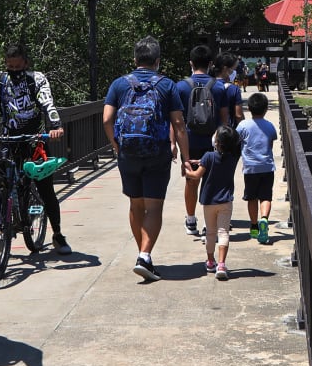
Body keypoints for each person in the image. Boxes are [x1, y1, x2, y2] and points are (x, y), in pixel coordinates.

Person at [0, 42, 72, 255]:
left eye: (18, 67)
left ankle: (58, 235)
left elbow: (47, 103)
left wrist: (55, 126)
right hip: (9, 139)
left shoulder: (37, 78)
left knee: (45, 189)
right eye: (10, 67)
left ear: (25, 63)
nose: (14, 71)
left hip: (35, 140)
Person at [103, 36, 190, 282]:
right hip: (157, 153)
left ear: (135, 60)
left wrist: (115, 144)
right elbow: (179, 124)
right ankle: (145, 255)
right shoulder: (167, 85)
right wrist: (186, 157)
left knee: (135, 204)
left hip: (128, 153)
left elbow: (107, 119)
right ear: (157, 61)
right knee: (154, 207)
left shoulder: (119, 84)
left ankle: (143, 255)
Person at [175, 45, 229, 237]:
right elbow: (224, 119)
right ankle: (210, 224)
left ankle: (191, 220)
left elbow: (176, 120)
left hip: (189, 142)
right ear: (210, 64)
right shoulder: (219, 87)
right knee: (212, 183)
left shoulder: (180, 86)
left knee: (191, 182)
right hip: (212, 142)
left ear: (191, 63)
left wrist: (173, 144)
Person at [183, 124, 242, 280]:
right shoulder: (233, 156)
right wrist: (202, 161)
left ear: (217, 142)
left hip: (209, 201)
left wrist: (187, 169)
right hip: (226, 201)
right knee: (223, 232)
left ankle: (210, 261)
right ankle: (222, 265)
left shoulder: (208, 156)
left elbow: (196, 175)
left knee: (210, 232)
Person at [236, 92, 278, 244]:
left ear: (249, 108)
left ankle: (254, 225)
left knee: (251, 197)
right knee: (266, 197)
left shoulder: (243, 126)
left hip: (250, 168)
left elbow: (236, 140)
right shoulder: (269, 126)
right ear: (266, 109)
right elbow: (271, 144)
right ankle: (264, 219)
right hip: (267, 166)